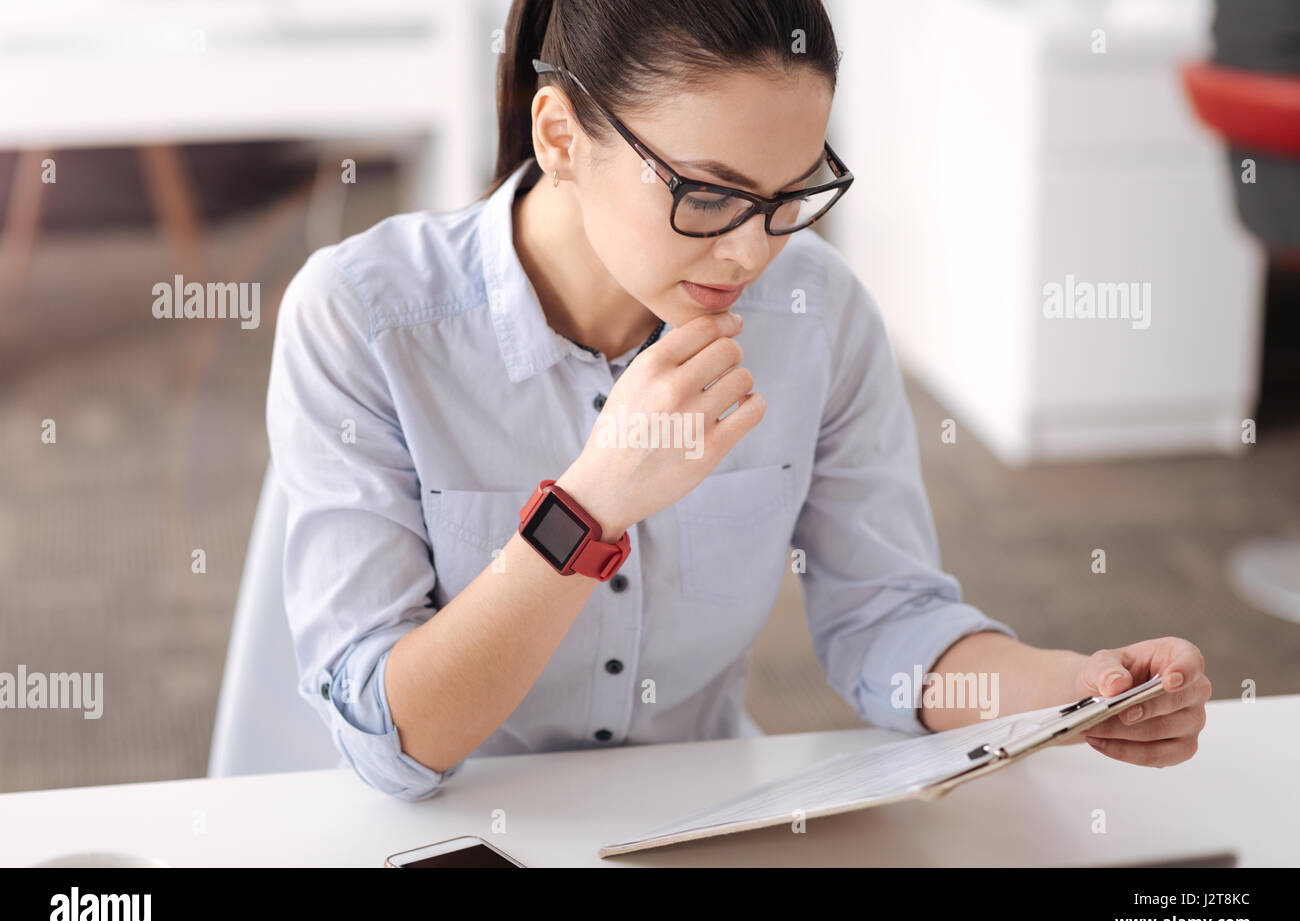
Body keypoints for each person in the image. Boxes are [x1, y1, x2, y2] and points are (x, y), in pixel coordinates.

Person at [266, 0, 1209, 801]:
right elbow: (391, 743)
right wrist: (592, 505)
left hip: (690, 819)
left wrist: (1075, 693)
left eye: (790, 196)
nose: (754, 254)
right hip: (446, 828)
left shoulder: (819, 316)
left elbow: (887, 622)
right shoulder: (364, 320)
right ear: (559, 136)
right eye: (710, 196)